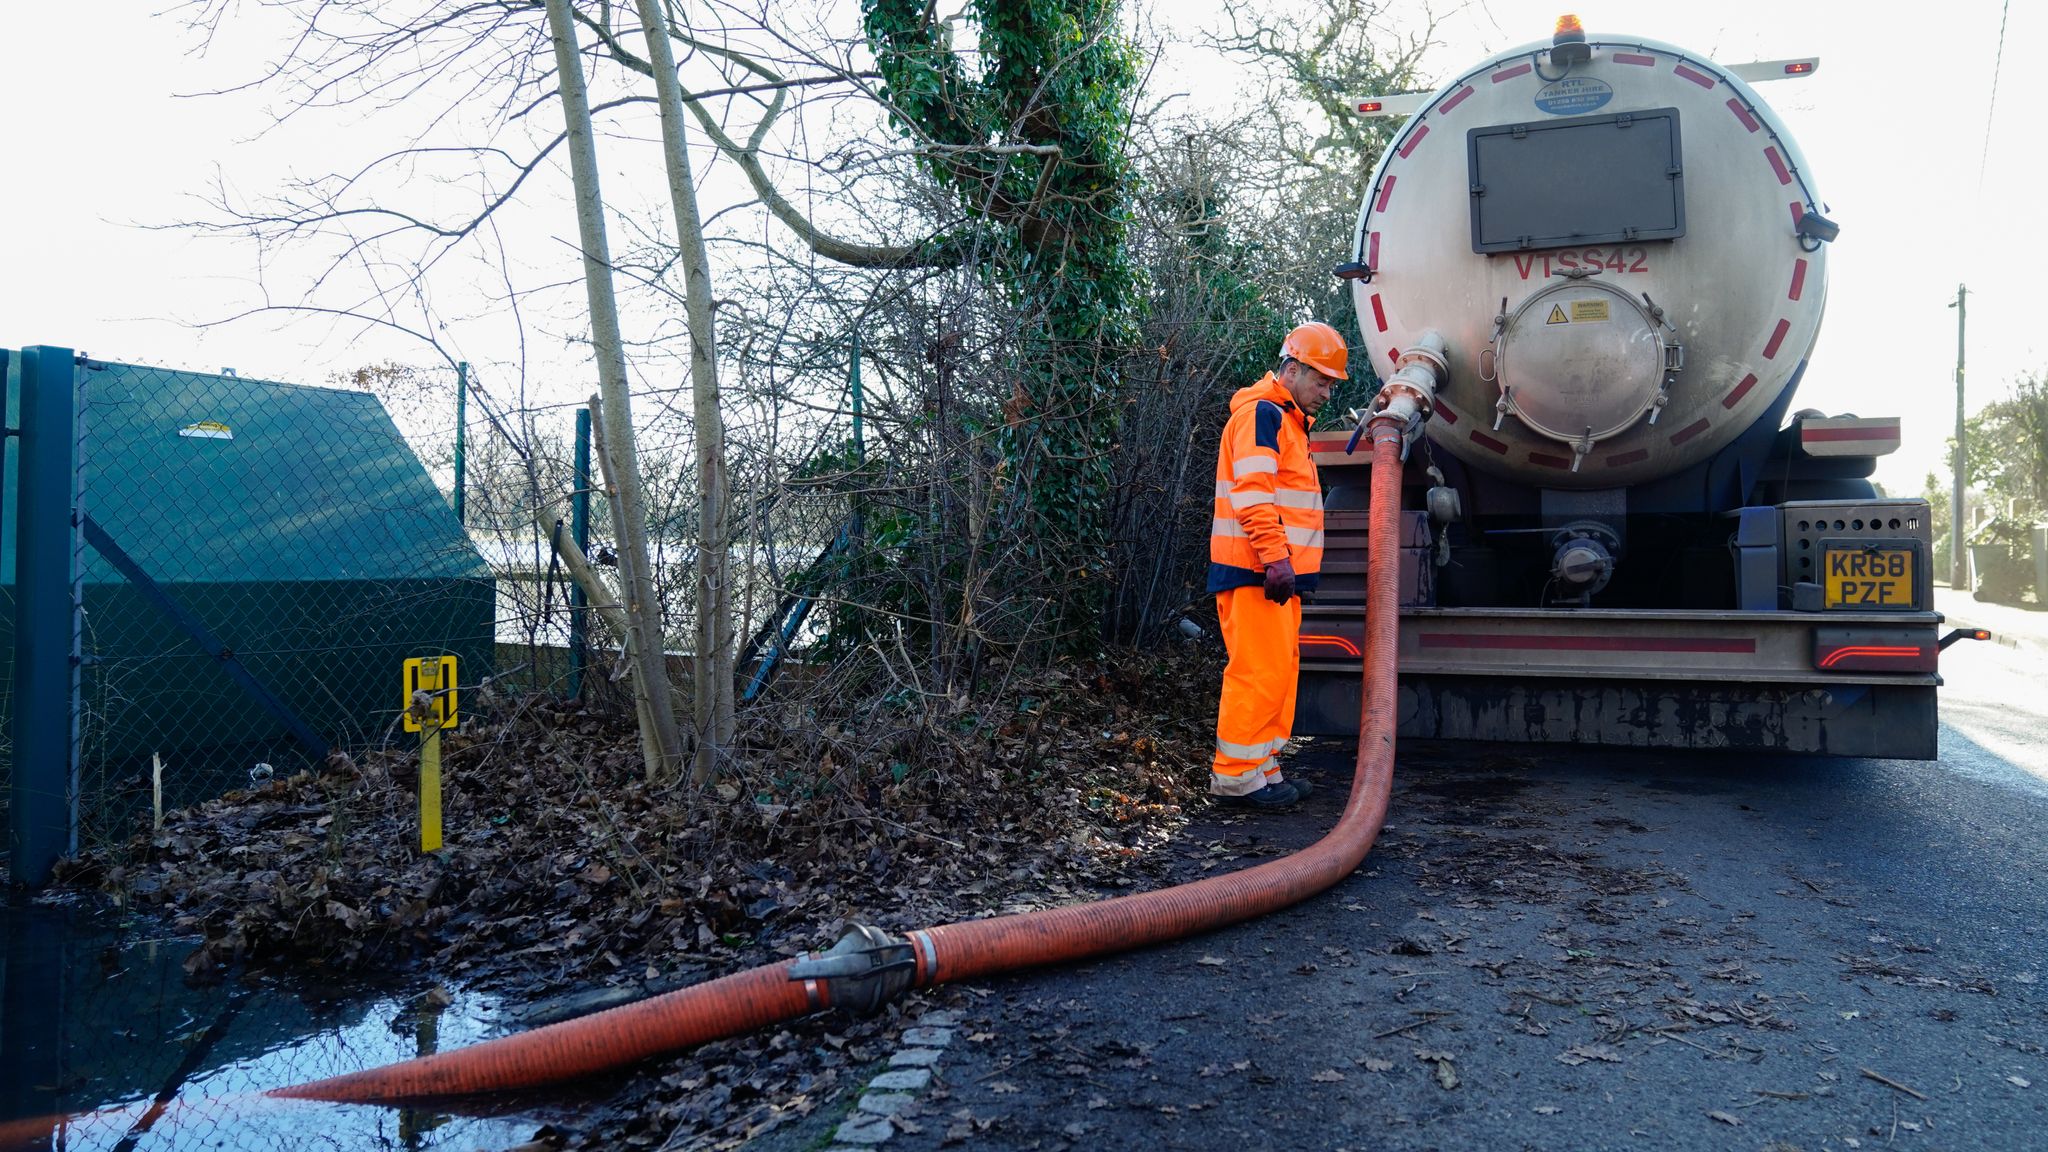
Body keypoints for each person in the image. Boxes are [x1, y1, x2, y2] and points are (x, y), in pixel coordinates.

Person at [1207, 321, 1344, 809]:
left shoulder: (1285, 421)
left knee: (1278, 673)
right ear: (1292, 369)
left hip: (1274, 573)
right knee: (1257, 672)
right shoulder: (1262, 415)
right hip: (1258, 570)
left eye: (1331, 384)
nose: (1326, 393)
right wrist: (1275, 558)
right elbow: (1253, 497)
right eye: (1322, 381)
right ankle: (1235, 775)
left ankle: (1262, 767)